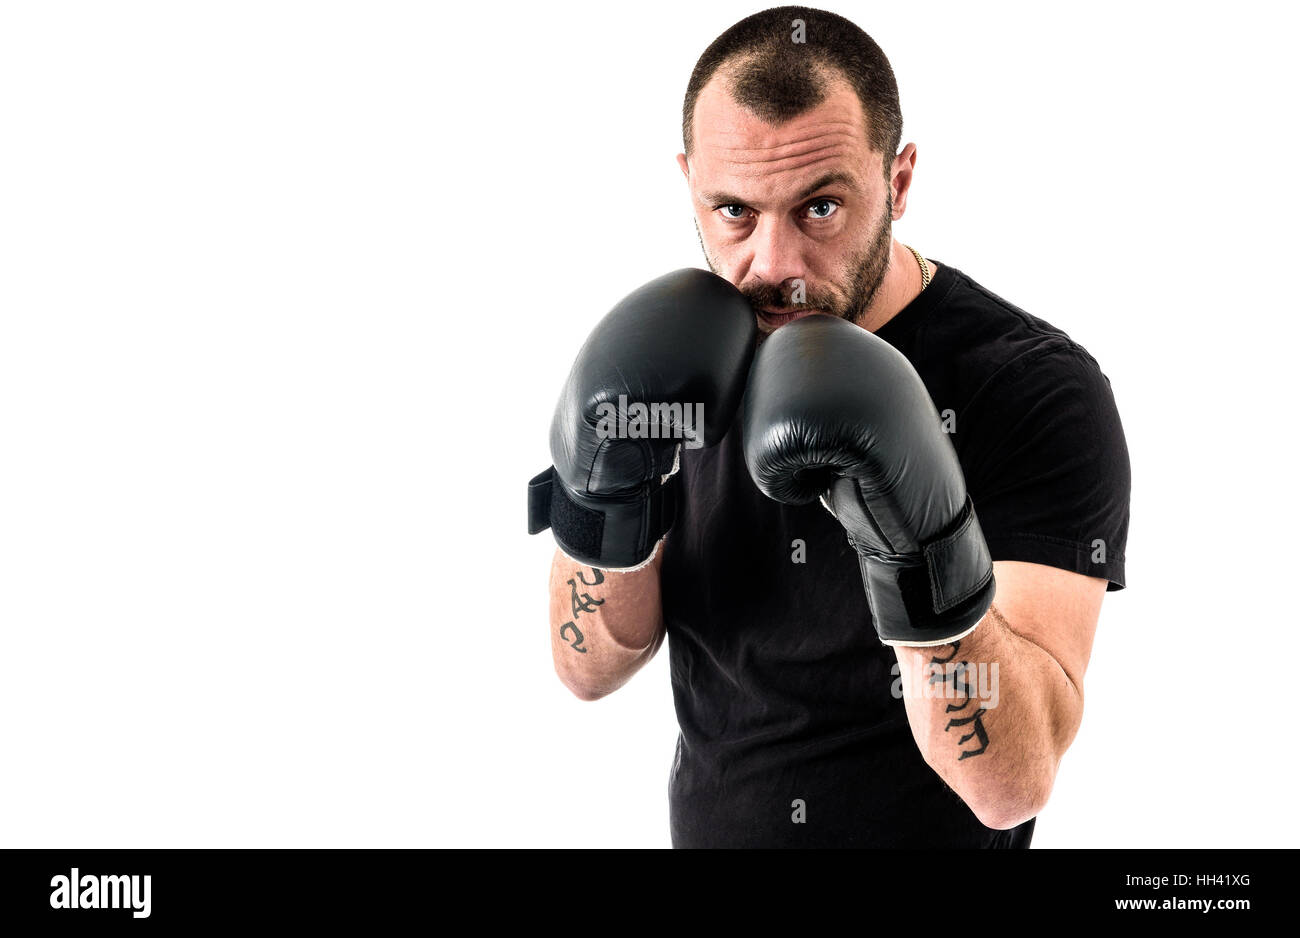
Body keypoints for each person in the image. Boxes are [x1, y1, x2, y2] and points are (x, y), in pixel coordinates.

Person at [530, 6, 1130, 848]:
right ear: (689, 183)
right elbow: (587, 669)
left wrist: (921, 551)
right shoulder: (665, 365)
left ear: (900, 180)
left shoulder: (1031, 388)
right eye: (733, 210)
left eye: (819, 208)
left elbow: (1012, 786)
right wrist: (607, 498)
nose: (771, 265)